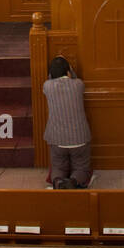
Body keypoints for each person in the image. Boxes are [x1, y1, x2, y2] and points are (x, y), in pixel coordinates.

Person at [43, 56, 92, 189]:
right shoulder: (78, 84)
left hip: (57, 139)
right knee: (82, 168)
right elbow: (75, 78)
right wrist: (71, 70)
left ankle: (58, 181)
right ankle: (74, 181)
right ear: (68, 71)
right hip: (80, 137)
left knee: (58, 167)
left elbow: (49, 79)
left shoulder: (47, 86)